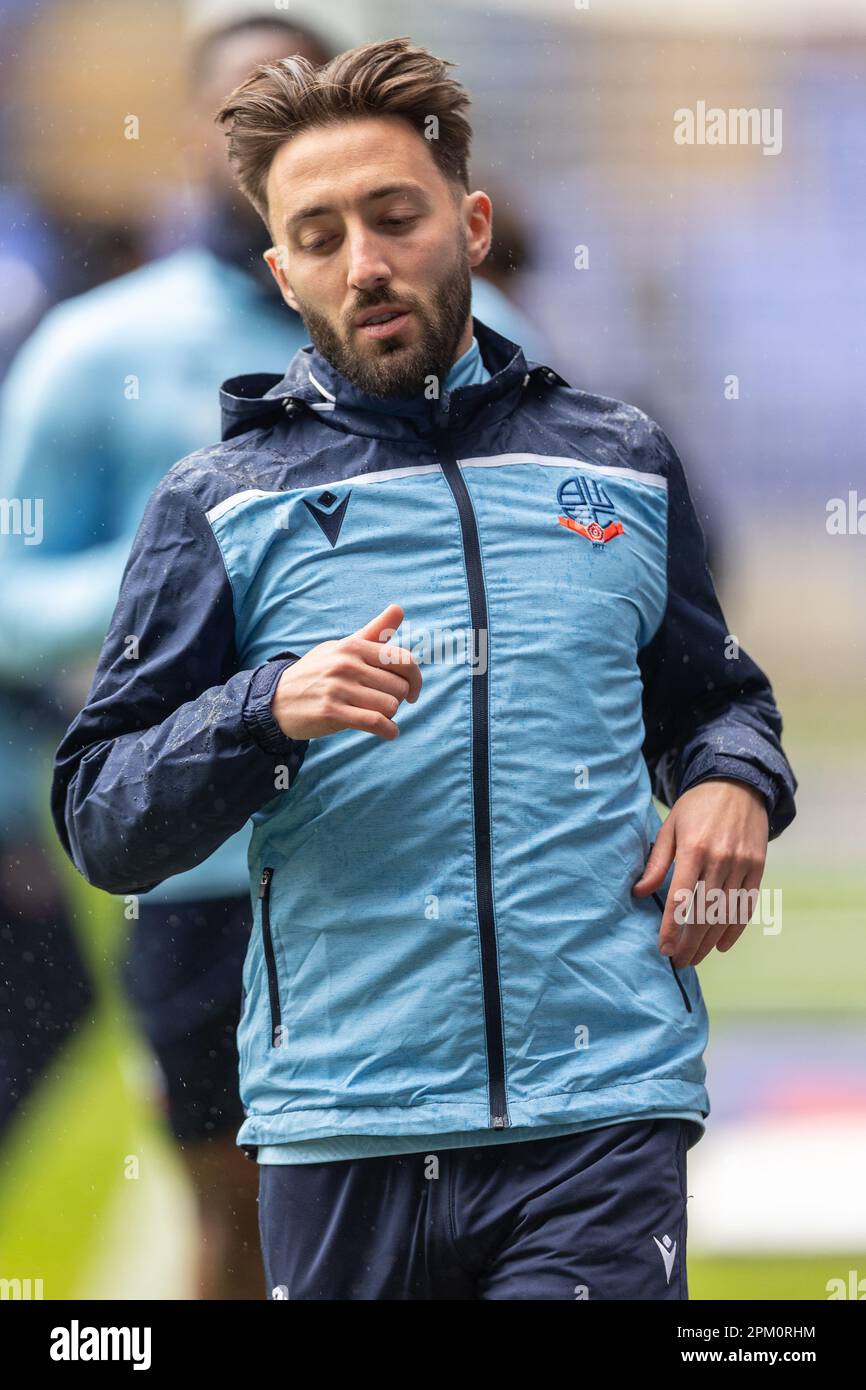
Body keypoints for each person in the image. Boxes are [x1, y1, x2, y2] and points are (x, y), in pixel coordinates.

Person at [51, 37, 797, 1301]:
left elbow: (717, 695)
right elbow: (103, 816)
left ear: (469, 218)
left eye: (395, 217)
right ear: (284, 272)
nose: (368, 261)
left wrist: (732, 780)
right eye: (322, 235)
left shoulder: (616, 460)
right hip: (345, 1123)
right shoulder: (220, 503)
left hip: (598, 1109)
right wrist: (261, 708)